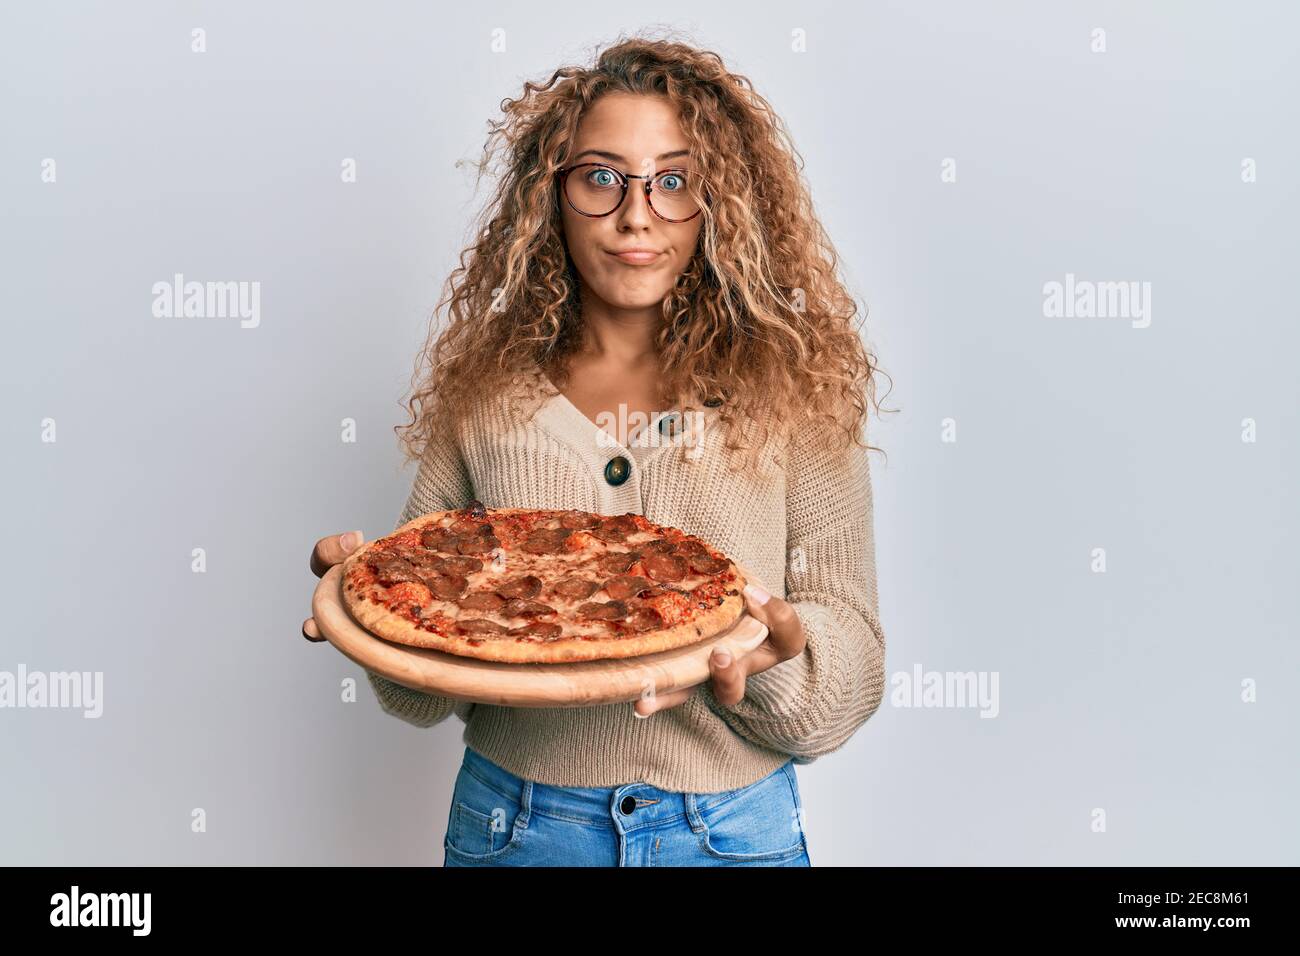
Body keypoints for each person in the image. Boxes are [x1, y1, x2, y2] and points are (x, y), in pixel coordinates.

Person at [302, 35, 891, 867]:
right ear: (553, 195)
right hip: (517, 825)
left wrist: (770, 668)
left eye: (674, 181)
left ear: (719, 201)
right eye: (602, 177)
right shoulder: (489, 393)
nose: (636, 214)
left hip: (731, 833)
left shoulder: (795, 393)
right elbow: (416, 692)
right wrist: (368, 607)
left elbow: (853, 663)